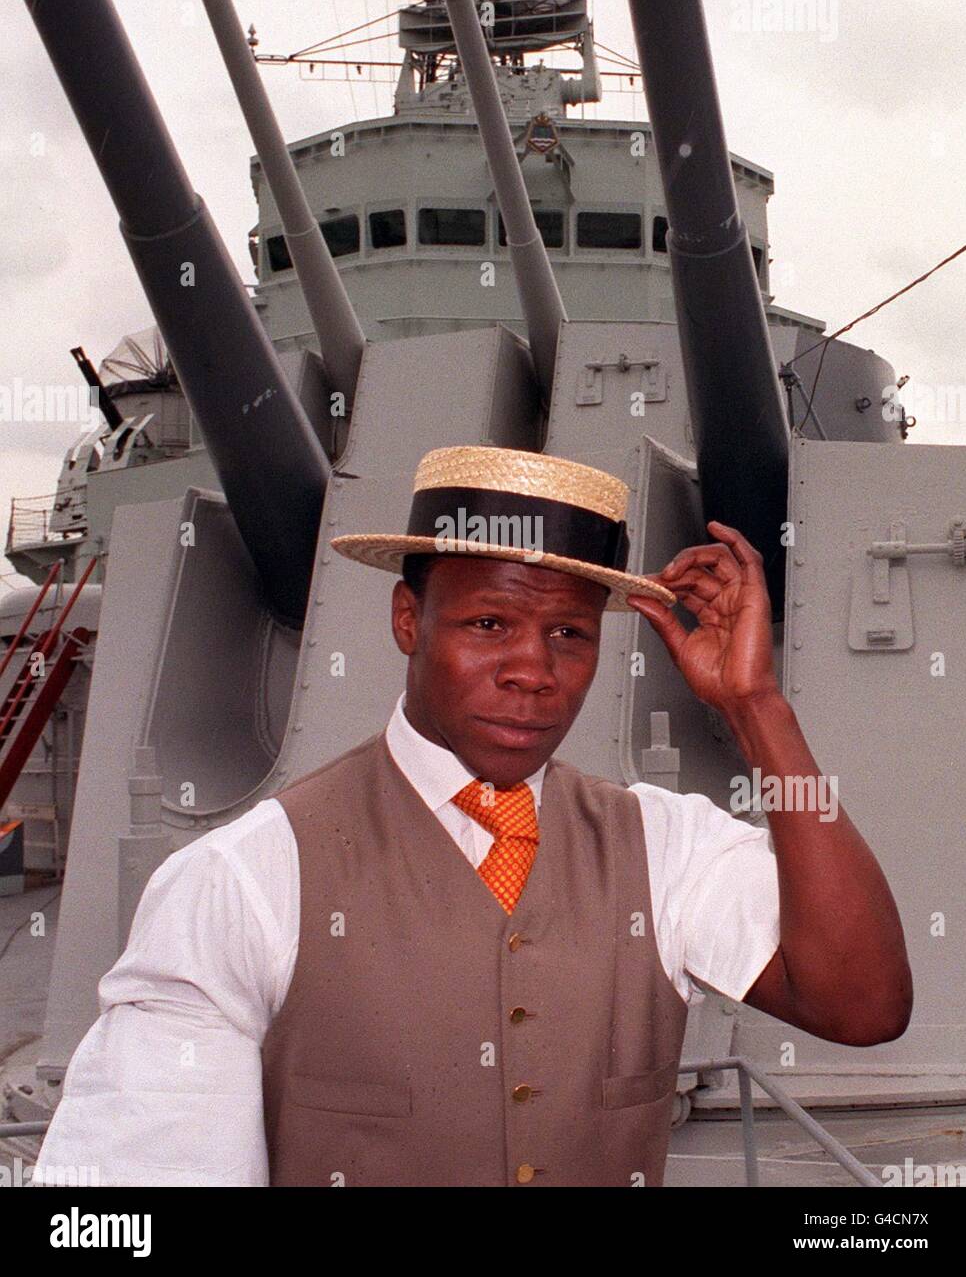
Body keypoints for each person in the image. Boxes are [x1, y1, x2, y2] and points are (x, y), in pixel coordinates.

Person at [34, 444, 911, 1187]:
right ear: (408, 619)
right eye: (490, 622)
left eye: (570, 634)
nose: (534, 669)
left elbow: (864, 1005)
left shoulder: (664, 848)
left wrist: (757, 706)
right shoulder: (248, 879)